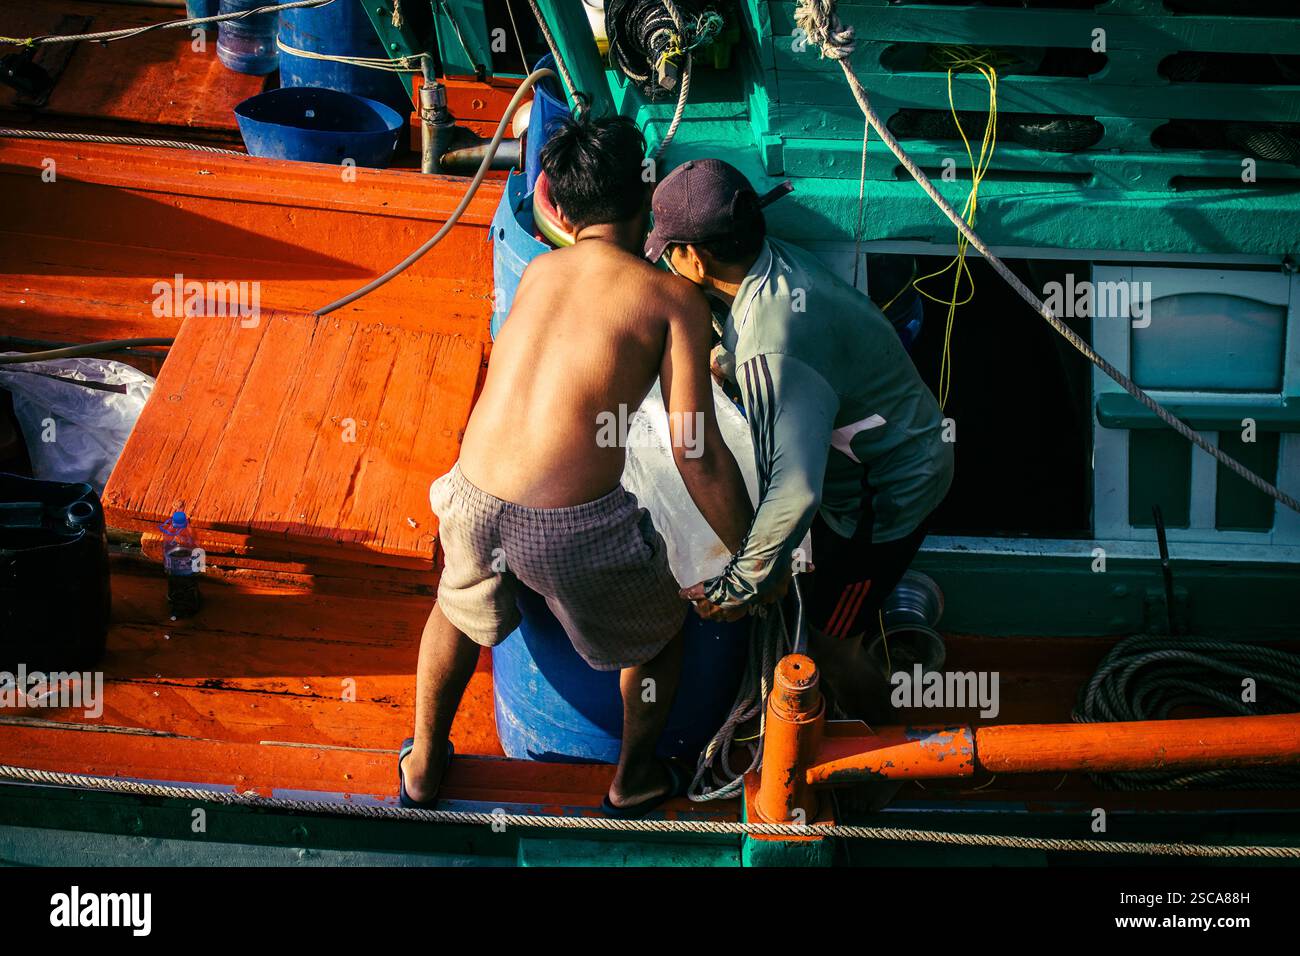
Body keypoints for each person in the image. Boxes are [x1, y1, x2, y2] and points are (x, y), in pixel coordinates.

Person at [399, 117, 753, 816]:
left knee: (456, 610)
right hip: (566, 529)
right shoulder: (671, 298)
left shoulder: (537, 269)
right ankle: (635, 778)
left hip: (470, 496)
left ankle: (423, 764)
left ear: (555, 207)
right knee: (660, 640)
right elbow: (694, 448)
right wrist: (754, 553)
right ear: (648, 197)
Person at [646, 159, 954, 722]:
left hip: (883, 502)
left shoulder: (772, 346)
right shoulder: (772, 267)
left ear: (697, 256)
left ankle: (892, 749)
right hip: (872, 444)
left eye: (668, 249)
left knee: (833, 647)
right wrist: (721, 360)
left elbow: (795, 495)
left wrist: (738, 587)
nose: (665, 259)